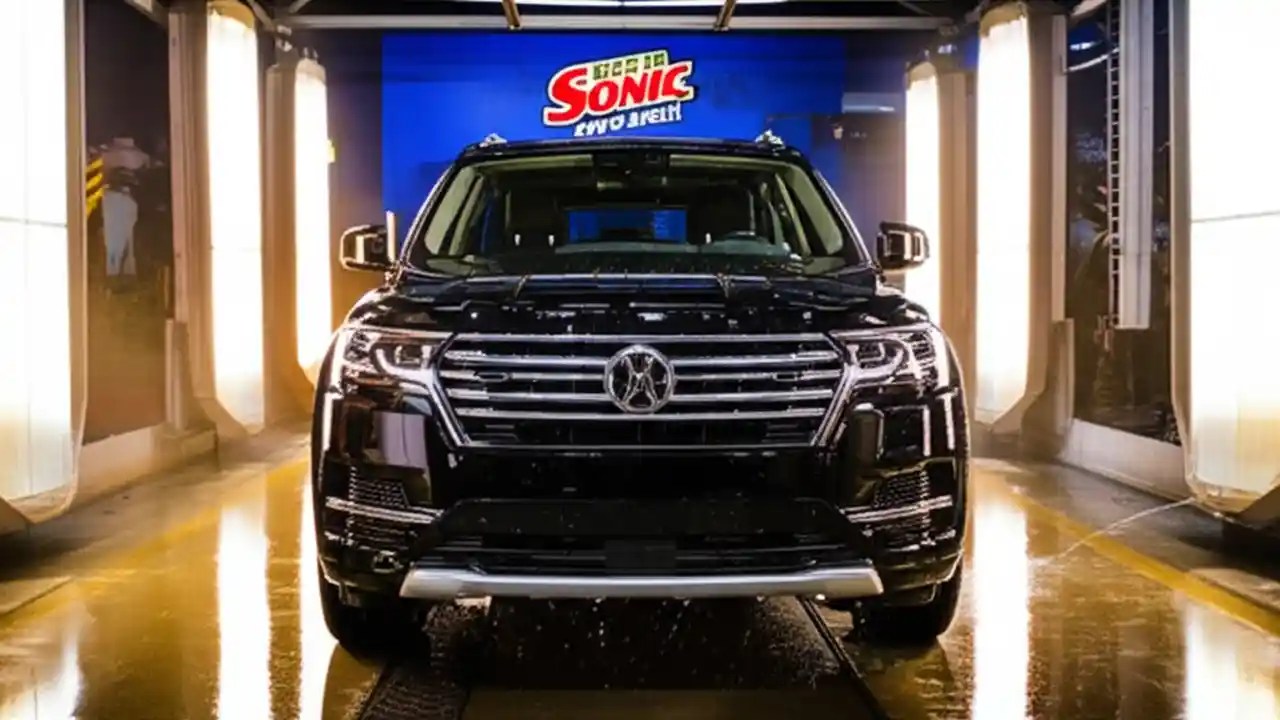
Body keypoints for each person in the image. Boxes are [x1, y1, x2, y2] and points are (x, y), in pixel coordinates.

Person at [101, 137, 150, 281]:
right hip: (126, 197)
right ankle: (125, 271)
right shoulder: (140, 157)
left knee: (113, 237)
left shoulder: (107, 155)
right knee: (127, 235)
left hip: (113, 198)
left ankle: (114, 271)